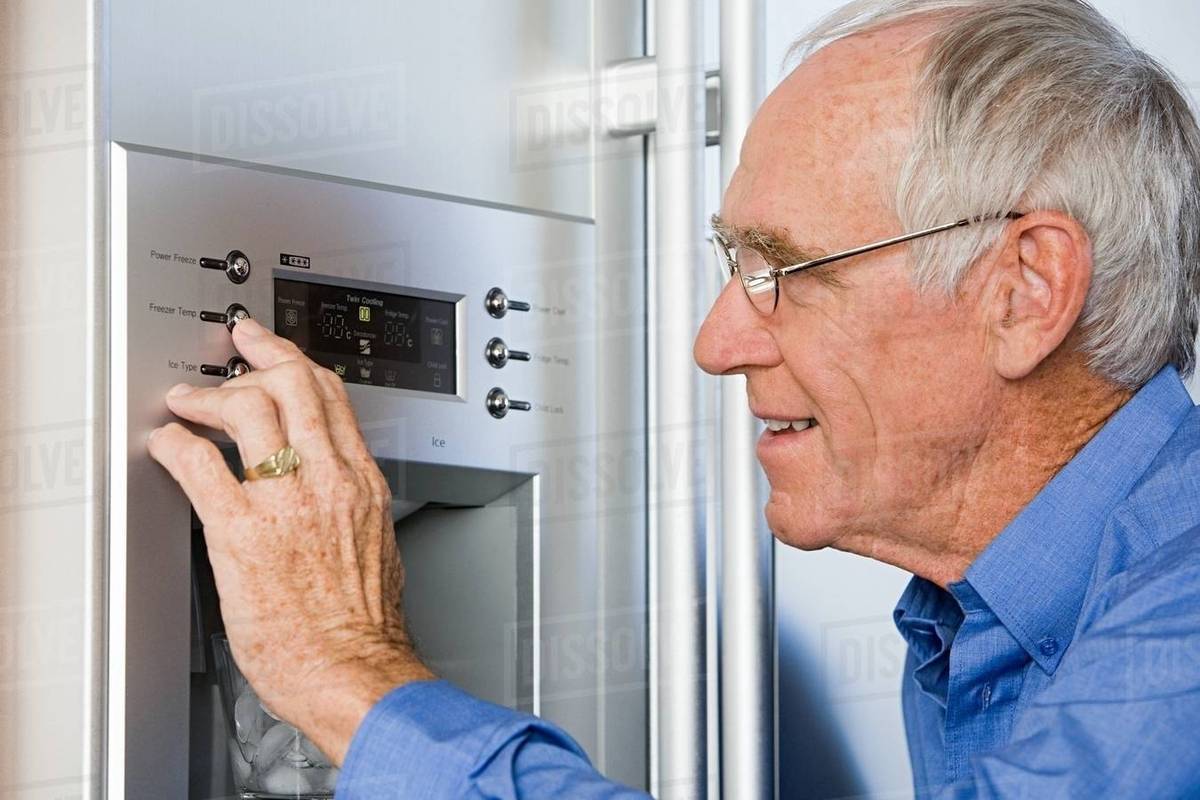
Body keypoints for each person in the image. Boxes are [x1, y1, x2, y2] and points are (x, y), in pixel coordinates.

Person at [148, 0, 1200, 796]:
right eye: (730, 261)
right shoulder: (973, 624)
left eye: (783, 269)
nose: (715, 342)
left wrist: (349, 675)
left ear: (1025, 291)